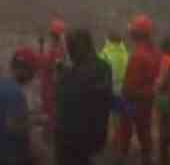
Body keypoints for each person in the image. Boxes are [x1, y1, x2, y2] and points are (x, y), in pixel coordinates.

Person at [55, 28, 113, 165]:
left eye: (70, 48)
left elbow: (64, 103)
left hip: (72, 142)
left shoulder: (70, 77)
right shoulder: (105, 68)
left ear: (76, 49)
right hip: (97, 136)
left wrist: (63, 75)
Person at [0, 47, 42, 165]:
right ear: (24, 69)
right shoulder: (16, 93)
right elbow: (13, 126)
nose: (32, 77)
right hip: (14, 157)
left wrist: (27, 114)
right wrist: (37, 121)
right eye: (32, 72)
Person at [117, 14, 160, 165]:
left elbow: (129, 88)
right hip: (147, 100)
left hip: (133, 101)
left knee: (124, 135)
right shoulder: (154, 52)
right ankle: (147, 158)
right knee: (145, 133)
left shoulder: (138, 56)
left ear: (136, 33)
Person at [36, 19, 67, 129]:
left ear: (52, 34)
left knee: (49, 112)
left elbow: (43, 63)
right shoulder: (63, 49)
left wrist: (40, 48)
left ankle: (50, 133)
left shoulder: (55, 49)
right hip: (57, 85)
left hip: (50, 86)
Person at [100, 31, 129, 137]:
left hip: (107, 89)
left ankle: (107, 140)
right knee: (118, 118)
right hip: (122, 89)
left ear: (109, 40)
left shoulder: (105, 53)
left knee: (105, 117)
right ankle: (117, 139)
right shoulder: (125, 53)